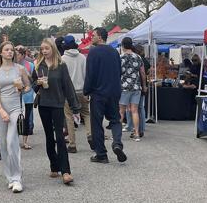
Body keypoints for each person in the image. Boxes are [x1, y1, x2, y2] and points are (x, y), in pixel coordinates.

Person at [32, 38, 80, 184]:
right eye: (42, 49)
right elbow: (34, 86)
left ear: (53, 49)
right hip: (44, 104)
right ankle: (54, 166)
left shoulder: (61, 65)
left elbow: (68, 86)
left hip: (58, 104)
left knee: (59, 137)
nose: (44, 51)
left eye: (46, 48)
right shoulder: (38, 65)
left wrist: (75, 106)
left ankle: (66, 171)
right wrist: (38, 83)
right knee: (49, 136)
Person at [0, 42, 32, 193]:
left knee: (11, 142)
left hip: (16, 107)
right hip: (2, 108)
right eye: (6, 50)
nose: (10, 52)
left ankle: (17, 178)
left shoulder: (20, 68)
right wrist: (1, 110)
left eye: (11, 50)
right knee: (3, 144)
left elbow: (28, 86)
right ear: (1, 53)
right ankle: (9, 177)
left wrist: (22, 88)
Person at [83, 27, 126, 164]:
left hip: (98, 93)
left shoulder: (93, 52)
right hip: (113, 91)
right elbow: (119, 71)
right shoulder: (114, 52)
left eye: (93, 35)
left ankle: (101, 154)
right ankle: (117, 143)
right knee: (115, 119)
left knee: (96, 123)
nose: (92, 37)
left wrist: (86, 91)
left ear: (100, 37)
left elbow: (90, 74)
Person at [61, 35, 91, 153]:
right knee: (86, 114)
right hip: (82, 90)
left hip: (68, 93)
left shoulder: (62, 59)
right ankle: (90, 134)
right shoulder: (82, 57)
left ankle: (72, 144)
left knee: (69, 117)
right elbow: (86, 75)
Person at [119, 37, 146, 142]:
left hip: (124, 87)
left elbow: (117, 72)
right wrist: (144, 86)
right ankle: (137, 134)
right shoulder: (138, 57)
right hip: (136, 87)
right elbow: (142, 73)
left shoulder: (120, 57)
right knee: (135, 111)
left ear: (123, 45)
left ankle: (117, 135)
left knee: (121, 111)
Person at [16, 45, 35, 150]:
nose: (16, 56)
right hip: (15, 95)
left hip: (27, 95)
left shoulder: (30, 65)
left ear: (23, 55)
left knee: (26, 119)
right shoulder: (12, 65)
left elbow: (34, 80)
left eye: (18, 54)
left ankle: (25, 142)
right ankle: (15, 140)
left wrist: (27, 75)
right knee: (15, 119)